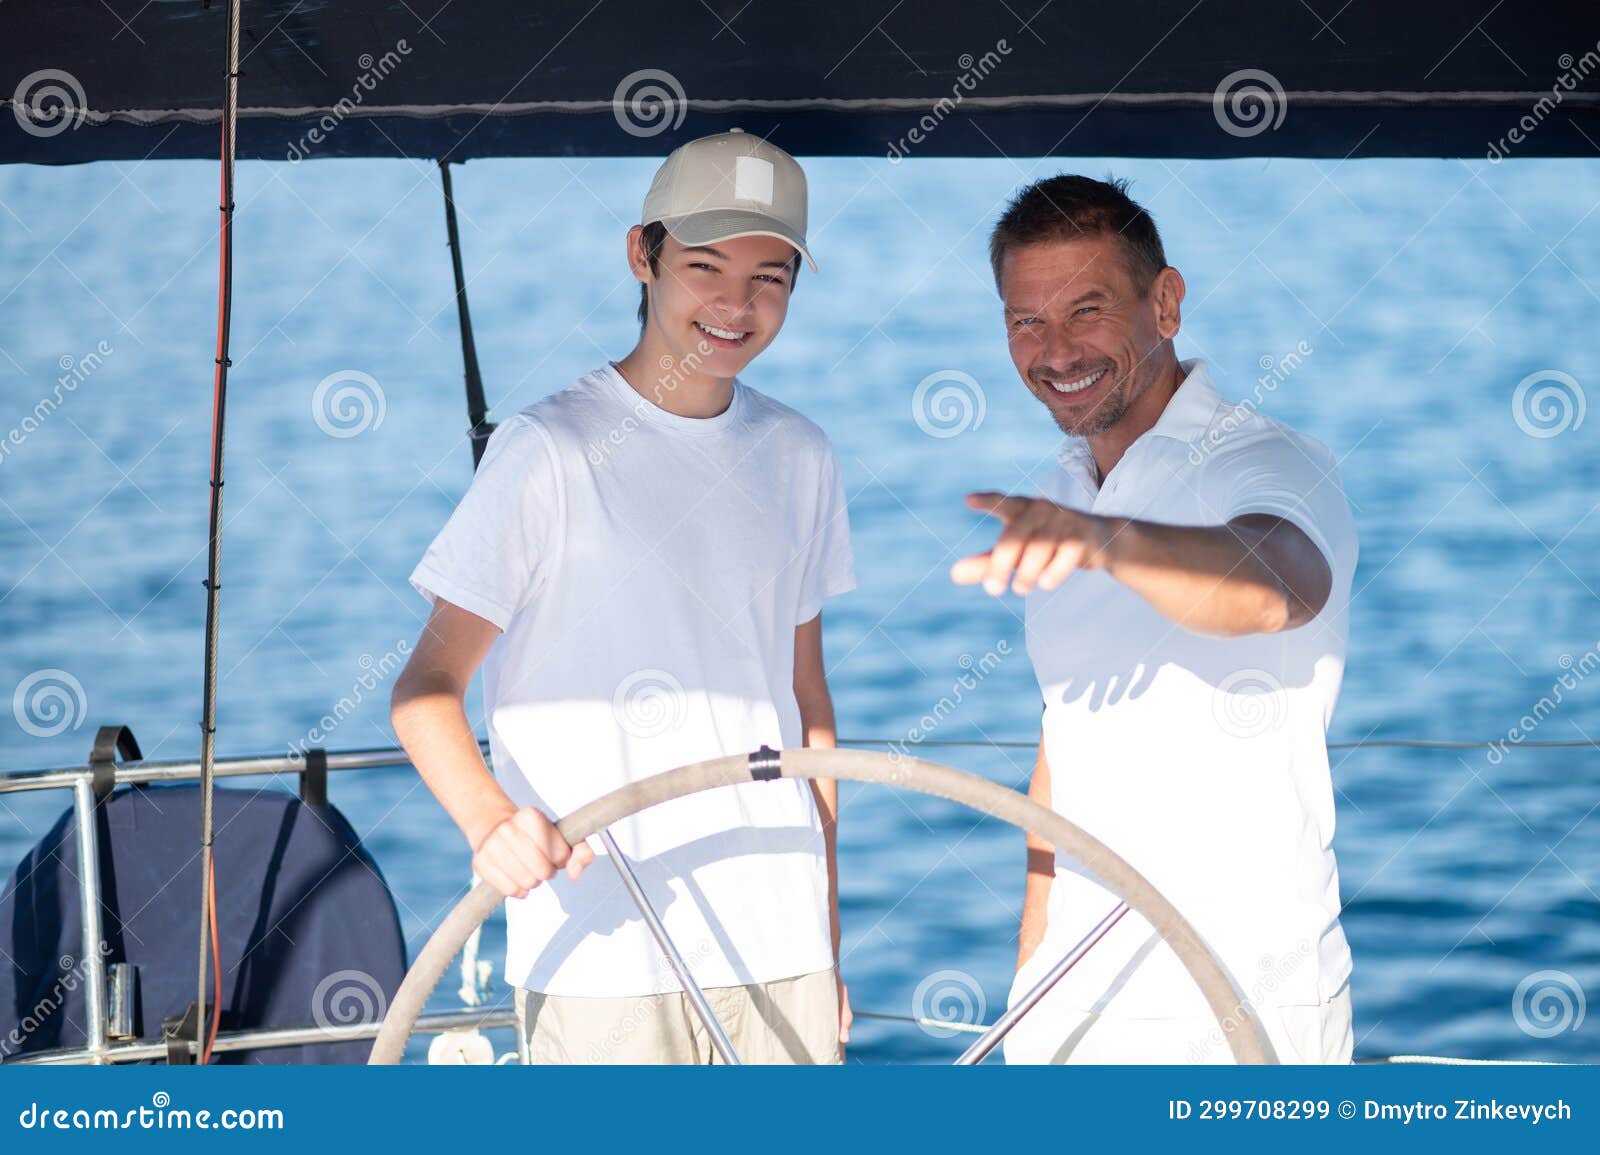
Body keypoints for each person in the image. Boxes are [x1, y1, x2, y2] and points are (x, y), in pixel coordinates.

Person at [391, 129, 855, 1064]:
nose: (736, 304)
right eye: (705, 265)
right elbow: (424, 690)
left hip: (783, 942)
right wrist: (490, 823)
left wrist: (827, 938)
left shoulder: (802, 455)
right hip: (600, 949)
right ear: (642, 255)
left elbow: (810, 711)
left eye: (771, 276)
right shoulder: (546, 451)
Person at [953, 174, 1358, 1063]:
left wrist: (1103, 542)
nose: (1055, 351)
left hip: (1242, 1009)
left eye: (1086, 310)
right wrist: (1028, 979)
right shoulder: (1063, 492)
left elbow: (1273, 585)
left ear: (1164, 302)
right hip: (1071, 1013)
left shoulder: (1273, 462)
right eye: (1026, 321)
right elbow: (1066, 743)